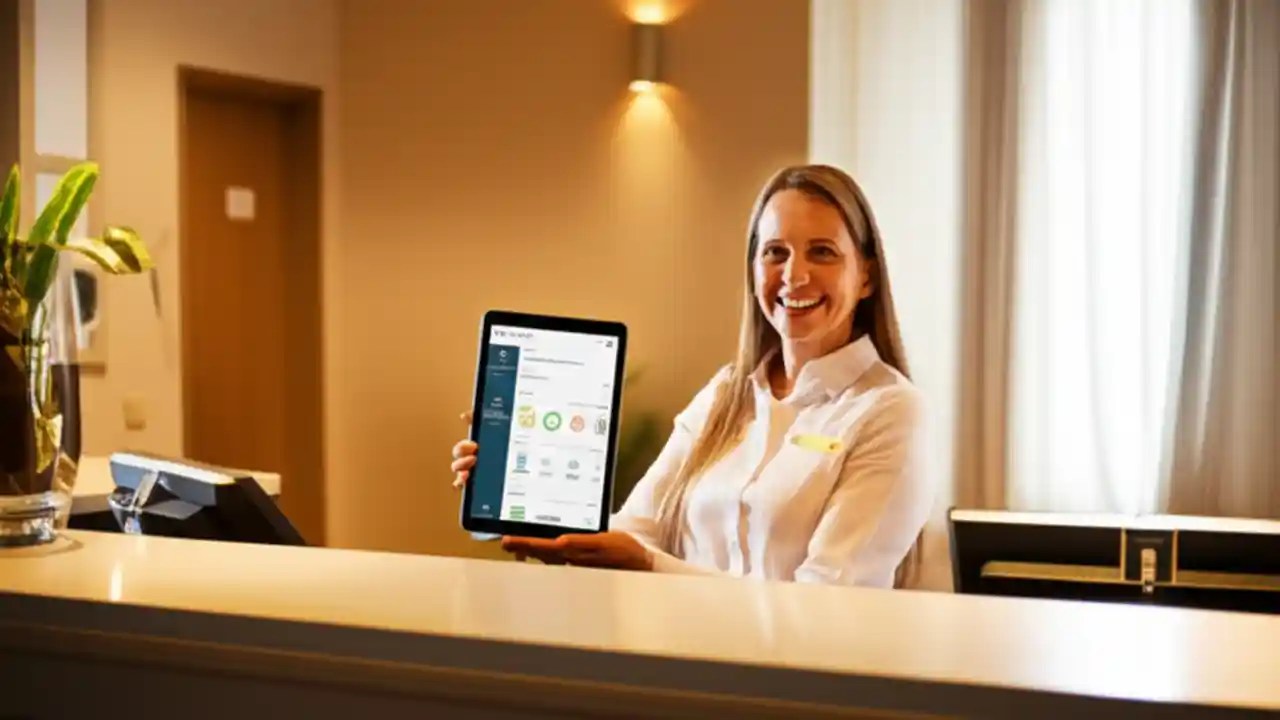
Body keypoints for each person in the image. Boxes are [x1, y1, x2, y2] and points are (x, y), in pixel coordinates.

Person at [451, 164, 932, 589]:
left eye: (822, 252)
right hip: (678, 668)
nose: (793, 275)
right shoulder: (728, 393)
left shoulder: (889, 410)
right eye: (775, 252)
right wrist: (526, 483)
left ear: (866, 276)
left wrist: (651, 567)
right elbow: (636, 530)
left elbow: (826, 603)